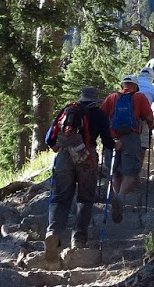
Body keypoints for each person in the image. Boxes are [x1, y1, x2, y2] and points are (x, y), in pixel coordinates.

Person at [41, 86, 112, 269]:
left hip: (64, 157)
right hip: (87, 156)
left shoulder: (67, 110)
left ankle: (53, 232)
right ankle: (78, 240)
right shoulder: (99, 114)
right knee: (85, 199)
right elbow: (107, 141)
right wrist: (115, 145)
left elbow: (49, 138)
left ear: (80, 99)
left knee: (60, 198)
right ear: (95, 100)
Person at [101, 75, 154, 221]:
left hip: (112, 139)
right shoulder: (139, 97)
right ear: (135, 86)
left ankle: (116, 200)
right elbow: (149, 117)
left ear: (122, 85)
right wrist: (151, 127)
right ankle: (120, 198)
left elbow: (102, 115)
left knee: (115, 171)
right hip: (131, 137)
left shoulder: (112, 97)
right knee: (131, 173)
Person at [132, 64, 154, 153]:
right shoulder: (153, 89)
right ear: (152, 78)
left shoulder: (132, 86)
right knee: (142, 145)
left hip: (128, 116)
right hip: (143, 118)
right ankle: (138, 165)